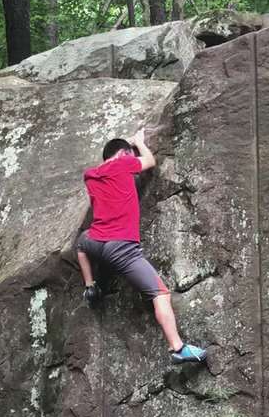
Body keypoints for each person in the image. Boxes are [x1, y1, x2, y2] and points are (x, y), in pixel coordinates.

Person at [77, 129, 208, 365]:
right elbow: (149, 161)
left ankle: (90, 286)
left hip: (96, 242)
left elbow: (107, 169)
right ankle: (177, 347)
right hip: (122, 248)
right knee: (160, 293)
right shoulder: (123, 163)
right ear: (124, 154)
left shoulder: (90, 175)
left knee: (81, 243)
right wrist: (139, 142)